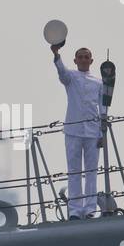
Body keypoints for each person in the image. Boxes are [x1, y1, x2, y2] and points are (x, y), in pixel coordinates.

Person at [52, 43, 106, 219]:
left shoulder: (98, 82)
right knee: (74, 171)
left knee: (91, 172)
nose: (83, 60)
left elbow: (102, 107)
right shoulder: (71, 78)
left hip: (92, 132)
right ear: (75, 60)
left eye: (86, 57)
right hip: (73, 130)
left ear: (91, 60)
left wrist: (102, 132)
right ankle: (75, 210)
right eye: (80, 57)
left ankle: (90, 209)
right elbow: (61, 72)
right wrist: (56, 54)